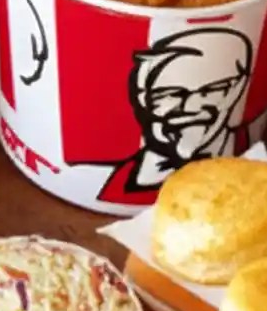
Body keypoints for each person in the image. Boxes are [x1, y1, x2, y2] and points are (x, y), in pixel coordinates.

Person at [97, 28, 254, 204]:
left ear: (238, 89)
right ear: (143, 100)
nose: (190, 107)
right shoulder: (99, 177)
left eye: (210, 91)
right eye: (170, 94)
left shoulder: (257, 161)